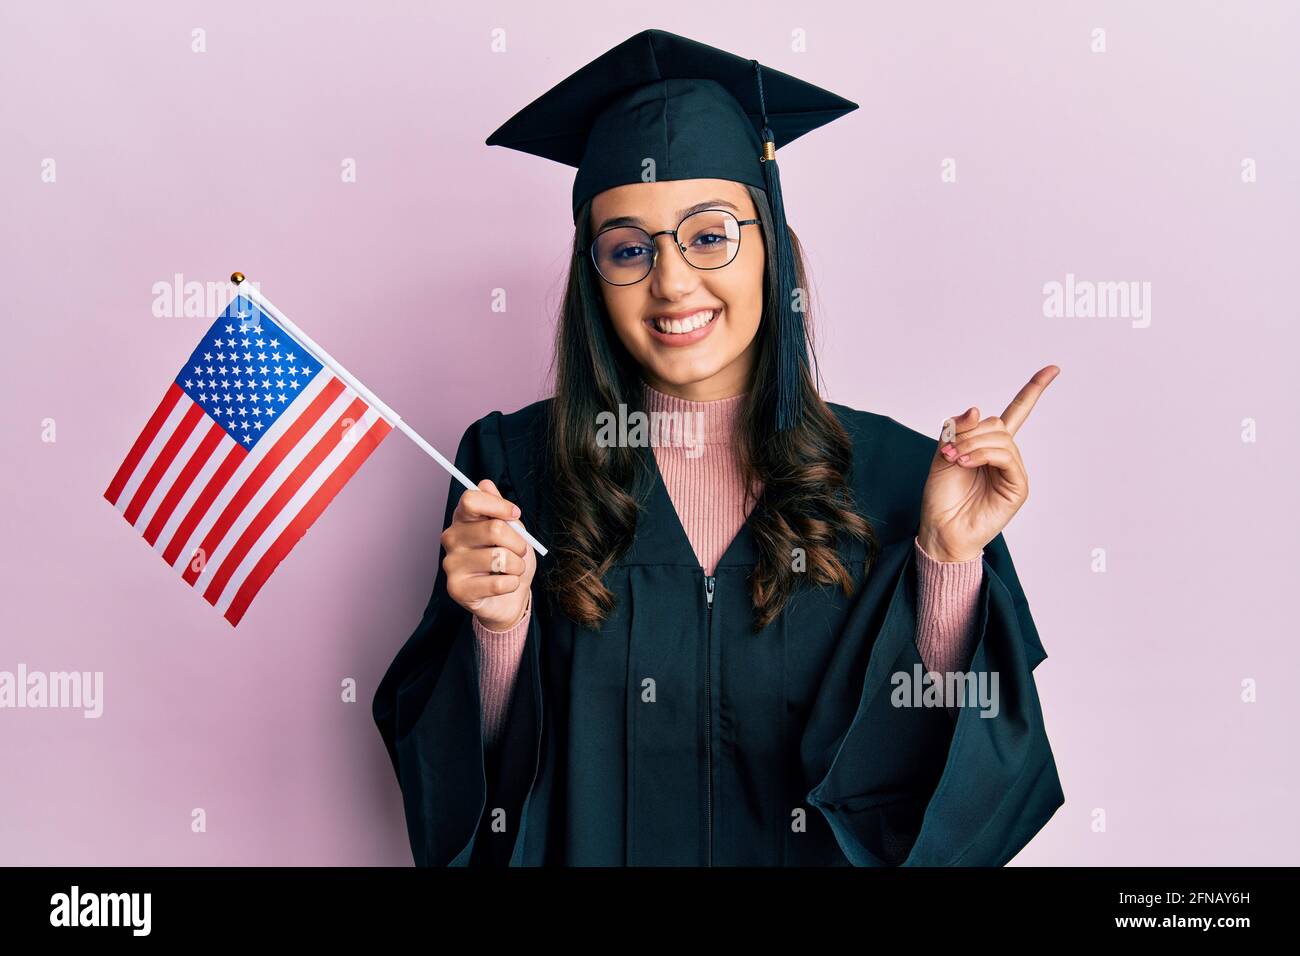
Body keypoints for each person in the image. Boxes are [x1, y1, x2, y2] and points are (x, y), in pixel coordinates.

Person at [373, 29, 1064, 866]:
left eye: (709, 235)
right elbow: (459, 806)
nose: (670, 281)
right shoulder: (515, 473)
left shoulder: (900, 481)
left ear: (770, 243)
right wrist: (498, 632)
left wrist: (947, 567)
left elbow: (952, 809)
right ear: (594, 278)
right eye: (629, 249)